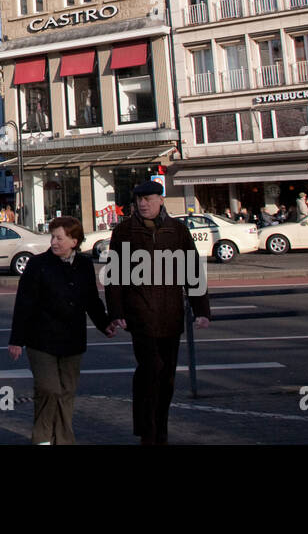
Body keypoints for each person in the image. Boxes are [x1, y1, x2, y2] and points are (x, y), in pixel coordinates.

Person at [105, 181, 212, 445]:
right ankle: (147, 431)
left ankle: (159, 427)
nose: (143, 204)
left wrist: (201, 310)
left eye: (148, 199)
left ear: (160, 200)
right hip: (139, 314)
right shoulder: (124, 231)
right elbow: (114, 276)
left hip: (171, 315)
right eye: (139, 199)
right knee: (150, 369)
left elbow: (192, 271)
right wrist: (116, 311)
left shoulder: (177, 231)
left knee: (167, 377)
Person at [8, 216, 115, 445]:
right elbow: (24, 303)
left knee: (66, 393)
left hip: (72, 340)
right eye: (52, 237)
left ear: (74, 241)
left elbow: (91, 300)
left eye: (59, 238)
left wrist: (104, 324)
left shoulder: (84, 265)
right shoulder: (38, 265)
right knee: (49, 389)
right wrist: (16, 339)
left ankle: (64, 440)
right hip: (41, 340)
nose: (54, 242)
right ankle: (43, 438)